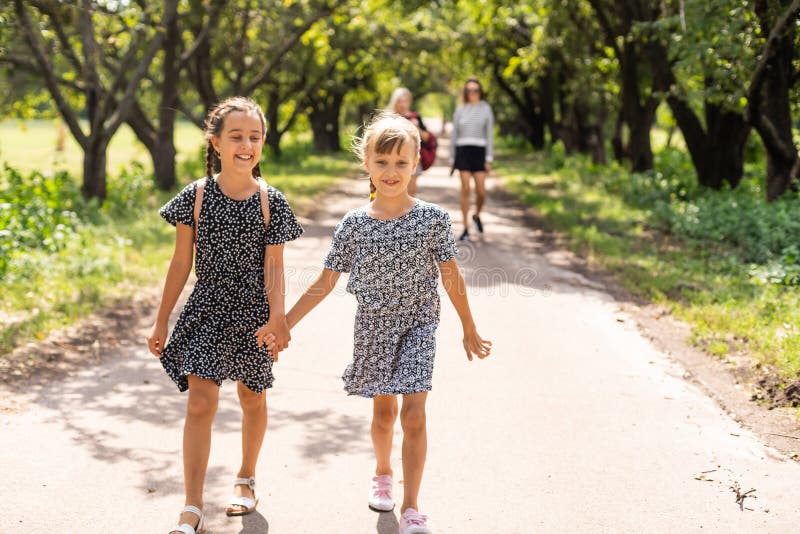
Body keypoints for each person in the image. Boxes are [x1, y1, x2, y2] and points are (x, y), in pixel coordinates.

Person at [257, 111, 492, 534]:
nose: (391, 172)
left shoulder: (433, 220)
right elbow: (325, 282)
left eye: (401, 163)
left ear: (415, 163)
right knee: (384, 414)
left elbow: (451, 276)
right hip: (373, 327)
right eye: (382, 162)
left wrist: (468, 327)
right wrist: (286, 323)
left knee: (415, 412)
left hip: (420, 323)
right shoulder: (354, 225)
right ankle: (383, 471)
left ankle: (412, 506)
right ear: (366, 163)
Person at [146, 96, 303, 534]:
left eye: (254, 137)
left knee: (252, 397)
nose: (246, 145)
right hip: (207, 311)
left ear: (263, 144)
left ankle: (246, 475)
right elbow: (180, 265)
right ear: (215, 142)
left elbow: (274, 267)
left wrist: (278, 320)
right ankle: (192, 505)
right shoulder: (194, 197)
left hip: (254, 314)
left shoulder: (272, 202)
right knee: (201, 401)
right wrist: (161, 320)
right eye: (235, 136)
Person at [450, 77, 494, 241]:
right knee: (466, 188)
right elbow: (454, 135)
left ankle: (476, 215)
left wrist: (488, 158)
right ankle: (465, 228)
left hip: (480, 151)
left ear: (480, 92)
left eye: (475, 90)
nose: (472, 93)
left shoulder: (486, 109)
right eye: (469, 90)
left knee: (481, 190)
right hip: (463, 151)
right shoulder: (460, 109)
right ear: (465, 92)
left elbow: (489, 135)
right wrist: (452, 158)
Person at [387, 87, 432, 197]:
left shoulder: (415, 117)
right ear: (394, 102)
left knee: (410, 194)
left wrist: (416, 127)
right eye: (400, 101)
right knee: (392, 193)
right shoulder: (388, 118)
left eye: (405, 101)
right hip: (390, 158)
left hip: (411, 158)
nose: (403, 104)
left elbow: (427, 138)